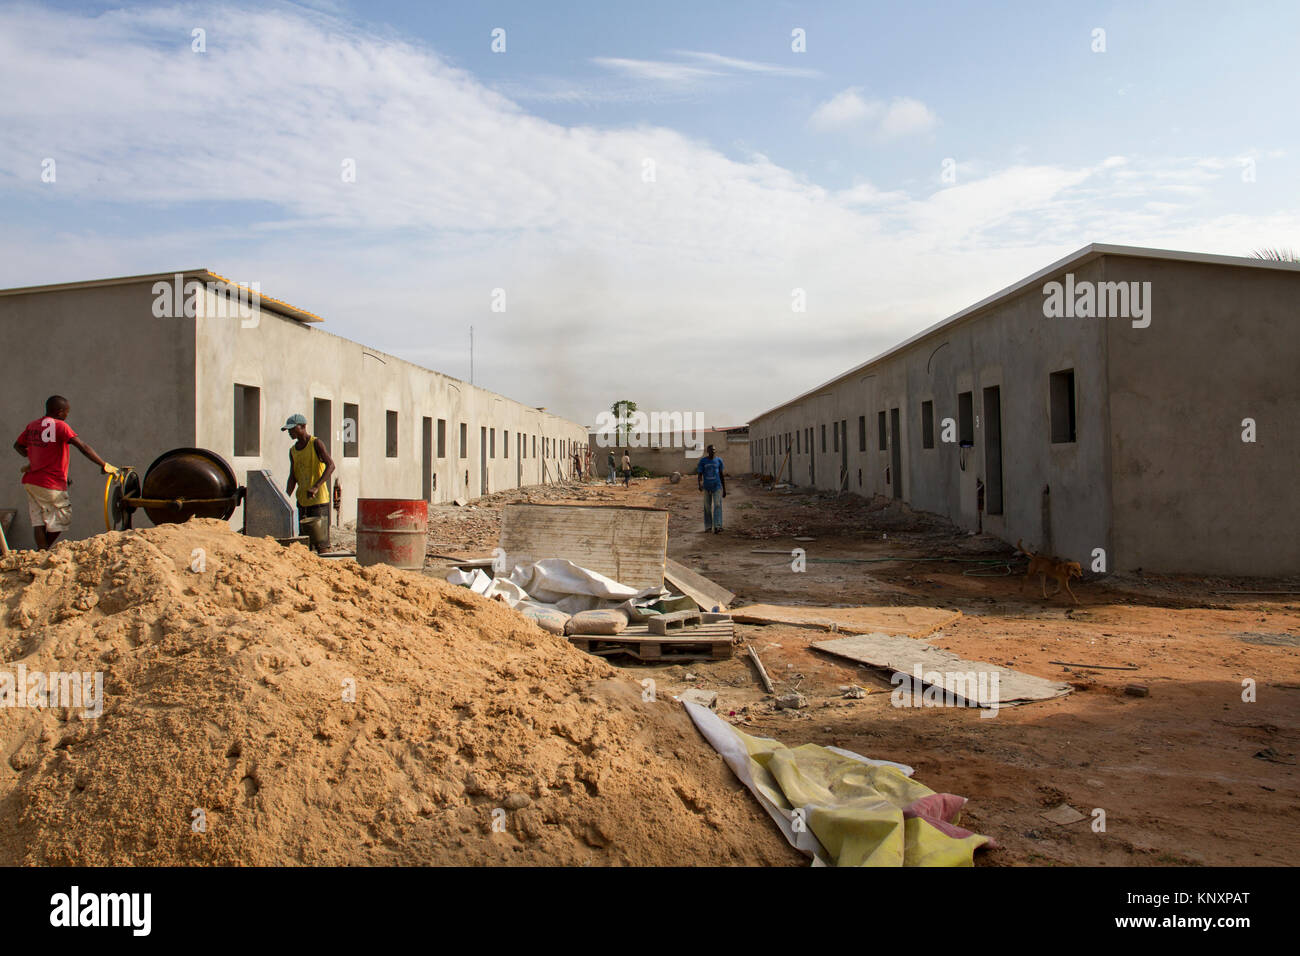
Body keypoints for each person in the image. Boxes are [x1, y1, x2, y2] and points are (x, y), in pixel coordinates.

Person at [13, 395, 116, 549]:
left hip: (31, 481)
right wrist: (104, 464)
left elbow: (17, 446)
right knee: (62, 519)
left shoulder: (33, 425)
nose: (67, 415)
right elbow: (83, 447)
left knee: (39, 520)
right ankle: (44, 550)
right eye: (67, 412)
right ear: (60, 412)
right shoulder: (61, 426)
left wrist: (34, 458)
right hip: (50, 483)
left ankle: (40, 554)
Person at [282, 413, 335, 552]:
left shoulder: (315, 443)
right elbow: (293, 476)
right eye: (288, 430)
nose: (290, 433)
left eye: (292, 429)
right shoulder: (293, 451)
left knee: (321, 542)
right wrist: (285, 497)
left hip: (318, 502)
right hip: (303, 502)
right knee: (306, 544)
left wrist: (316, 486)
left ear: (303, 427)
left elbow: (331, 465)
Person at [696, 444, 726, 534]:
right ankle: (708, 527)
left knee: (717, 505)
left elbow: (721, 475)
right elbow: (700, 474)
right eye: (711, 450)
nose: (713, 451)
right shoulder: (703, 461)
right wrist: (699, 484)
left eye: (714, 450)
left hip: (717, 486)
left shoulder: (719, 460)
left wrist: (724, 489)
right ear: (707, 451)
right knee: (707, 507)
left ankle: (718, 526)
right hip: (707, 487)